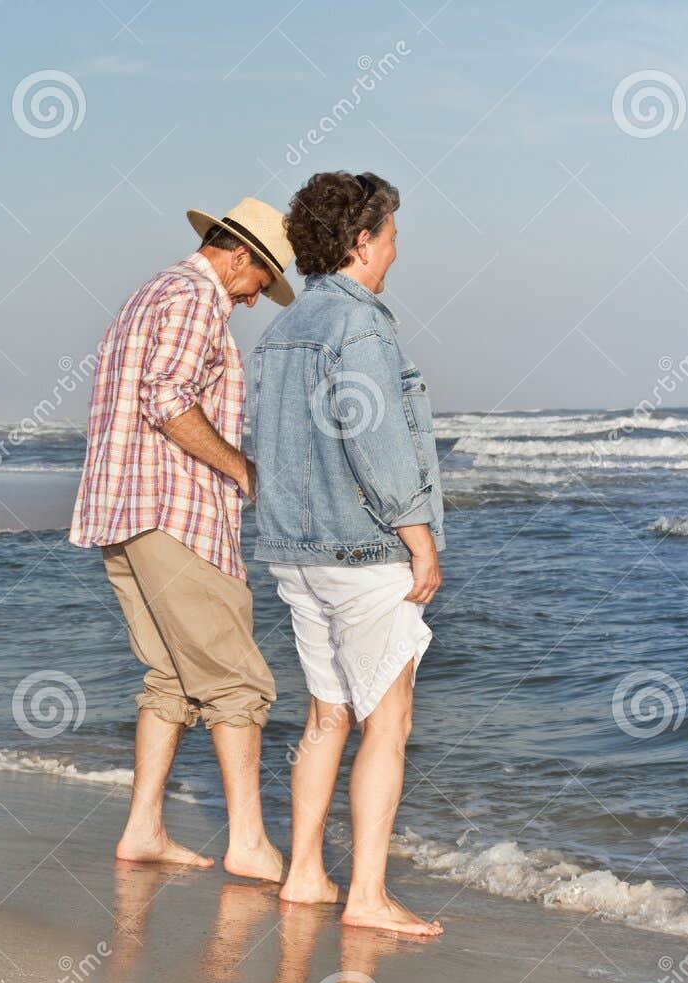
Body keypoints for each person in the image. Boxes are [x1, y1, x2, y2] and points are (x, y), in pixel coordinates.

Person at [70, 196, 296, 882]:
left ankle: (143, 829)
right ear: (239, 255)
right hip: (175, 513)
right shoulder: (197, 299)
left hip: (121, 512)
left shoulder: (148, 294)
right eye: (260, 282)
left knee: (169, 676)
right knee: (236, 680)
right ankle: (248, 841)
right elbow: (168, 399)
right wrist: (243, 469)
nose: (254, 300)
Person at [246, 171, 445, 935]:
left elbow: (268, 445)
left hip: (294, 551)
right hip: (361, 549)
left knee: (327, 714)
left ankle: (304, 873)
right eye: (390, 235)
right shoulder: (359, 327)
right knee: (387, 719)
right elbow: (377, 439)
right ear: (361, 241)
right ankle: (366, 894)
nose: (396, 250)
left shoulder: (278, 333)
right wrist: (418, 537)